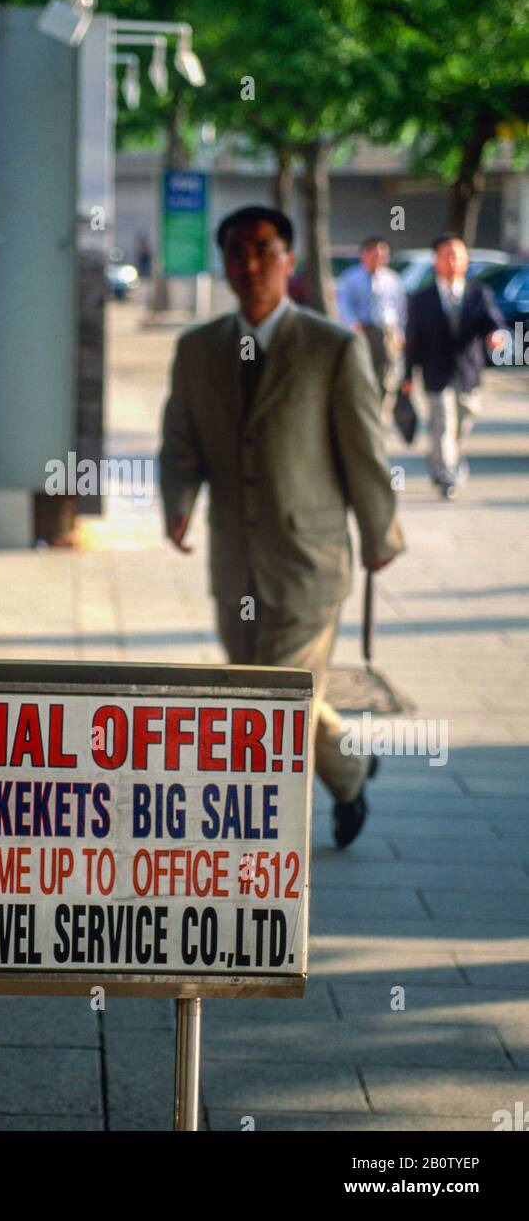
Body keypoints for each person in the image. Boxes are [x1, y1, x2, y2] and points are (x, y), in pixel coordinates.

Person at [160, 206, 406, 848]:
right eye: (237, 251)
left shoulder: (333, 347)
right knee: (266, 690)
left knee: (268, 701)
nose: (249, 264)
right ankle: (349, 767)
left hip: (308, 562)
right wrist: (178, 500)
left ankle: (262, 846)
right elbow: (181, 441)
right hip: (235, 560)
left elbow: (364, 452)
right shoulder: (196, 350)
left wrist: (381, 535)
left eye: (264, 250)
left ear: (288, 262)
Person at [401, 233, 506, 500]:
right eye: (447, 255)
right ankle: (448, 474)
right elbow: (412, 340)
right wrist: (407, 375)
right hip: (435, 371)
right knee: (443, 422)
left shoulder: (478, 293)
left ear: (466, 261)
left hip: (468, 372)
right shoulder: (421, 299)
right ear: (436, 261)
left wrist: (496, 336)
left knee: (461, 423)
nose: (452, 261)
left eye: (458, 256)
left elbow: (494, 322)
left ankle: (445, 458)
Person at [336, 237, 406, 401]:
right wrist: (353, 324)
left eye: (383, 254)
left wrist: (400, 332)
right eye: (375, 254)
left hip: (387, 330)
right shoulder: (351, 278)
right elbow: (344, 304)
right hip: (362, 329)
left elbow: (400, 308)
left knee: (387, 370)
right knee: (362, 368)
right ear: (364, 254)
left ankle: (382, 406)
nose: (380, 258)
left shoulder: (392, 279)